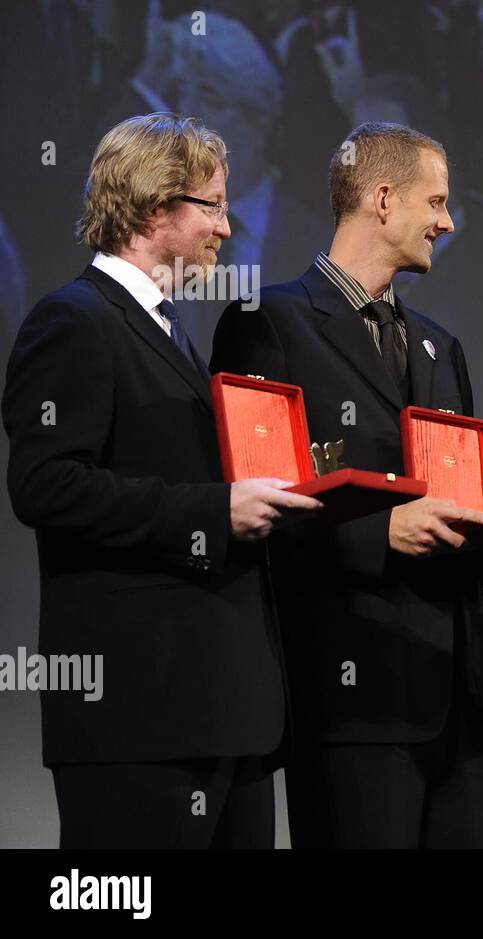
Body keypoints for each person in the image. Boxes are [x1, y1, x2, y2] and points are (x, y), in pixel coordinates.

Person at [210, 122, 483, 848]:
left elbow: (462, 497)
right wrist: (379, 532)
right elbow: (255, 502)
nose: (449, 223)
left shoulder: (441, 347)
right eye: (438, 202)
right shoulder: (267, 322)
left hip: (460, 702)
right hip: (352, 697)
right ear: (383, 199)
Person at [2, 112, 319, 848]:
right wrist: (214, 512)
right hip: (138, 719)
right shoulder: (74, 319)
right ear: (153, 208)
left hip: (223, 716)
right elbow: (45, 484)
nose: (227, 228)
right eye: (213, 206)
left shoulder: (171, 331)